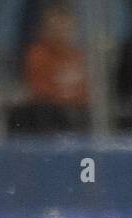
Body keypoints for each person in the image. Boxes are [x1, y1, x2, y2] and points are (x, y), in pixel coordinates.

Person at [15, 2, 89, 134]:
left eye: (63, 25)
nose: (59, 30)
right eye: (54, 25)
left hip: (77, 111)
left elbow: (87, 91)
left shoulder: (79, 56)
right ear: (45, 28)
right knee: (43, 111)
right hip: (51, 112)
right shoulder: (37, 54)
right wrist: (67, 96)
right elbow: (40, 90)